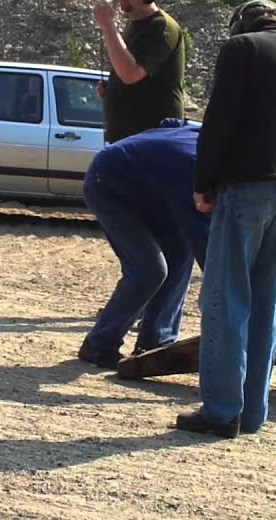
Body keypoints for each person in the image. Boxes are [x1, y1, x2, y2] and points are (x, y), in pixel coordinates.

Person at [176, 0, 276, 439]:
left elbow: (220, 121)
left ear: (241, 22)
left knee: (226, 301)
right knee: (268, 305)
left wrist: (203, 181)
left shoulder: (241, 49)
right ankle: (253, 412)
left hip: (247, 186)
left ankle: (222, 410)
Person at [76, 119, 210, 370]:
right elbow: (205, 239)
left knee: (180, 258)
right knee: (148, 272)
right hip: (109, 185)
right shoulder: (195, 166)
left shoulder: (206, 134)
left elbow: (170, 122)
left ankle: (155, 345)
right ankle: (98, 344)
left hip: (153, 193)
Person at [92, 0, 191, 143]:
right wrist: (112, 91)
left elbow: (130, 74)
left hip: (151, 138)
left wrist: (108, 26)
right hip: (128, 138)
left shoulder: (161, 27)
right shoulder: (134, 25)